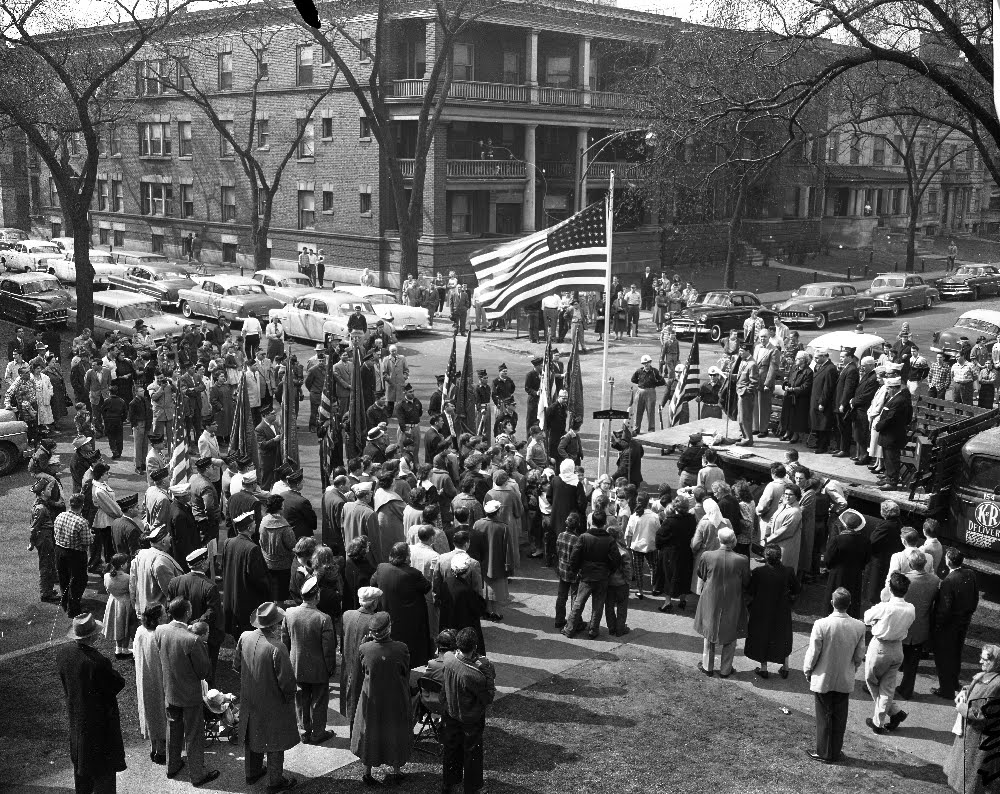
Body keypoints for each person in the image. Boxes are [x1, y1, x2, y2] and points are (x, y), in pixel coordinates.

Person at [56, 613, 127, 794]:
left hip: (78, 720)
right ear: (91, 636)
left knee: (82, 773)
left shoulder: (64, 653)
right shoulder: (97, 662)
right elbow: (116, 683)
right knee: (104, 776)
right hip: (100, 725)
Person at [234, 603, 299, 792]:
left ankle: (252, 773)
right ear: (274, 625)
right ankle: (275, 781)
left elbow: (237, 665)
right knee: (274, 741)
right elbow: (286, 683)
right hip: (272, 701)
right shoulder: (277, 648)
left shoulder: (244, 637)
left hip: (249, 698)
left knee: (251, 735)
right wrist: (290, 697)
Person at [156, 597, 219, 786]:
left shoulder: (160, 630)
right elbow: (203, 671)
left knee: (173, 729)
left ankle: (172, 766)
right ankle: (197, 775)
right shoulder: (193, 640)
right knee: (193, 735)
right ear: (188, 613)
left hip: (171, 691)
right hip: (190, 695)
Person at [802, 587, 867, 764]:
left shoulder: (821, 625)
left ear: (832, 603)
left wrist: (808, 670)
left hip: (823, 676)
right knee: (839, 717)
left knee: (824, 716)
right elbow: (859, 655)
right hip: (844, 677)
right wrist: (853, 668)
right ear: (849, 604)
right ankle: (835, 750)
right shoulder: (859, 626)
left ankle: (824, 752)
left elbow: (813, 652)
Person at [350, 611, 413, 785]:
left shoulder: (365, 649)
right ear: (389, 628)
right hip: (394, 697)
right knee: (394, 730)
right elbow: (405, 672)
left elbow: (362, 671)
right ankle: (397, 770)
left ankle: (367, 772)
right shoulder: (401, 648)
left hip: (372, 698)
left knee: (371, 730)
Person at [282, 576, 337, 745]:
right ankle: (318, 733)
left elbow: (285, 641)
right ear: (317, 595)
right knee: (319, 701)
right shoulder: (323, 618)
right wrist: (330, 668)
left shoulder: (289, 614)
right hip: (318, 668)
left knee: (300, 699)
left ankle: (303, 732)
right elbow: (328, 649)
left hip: (296, 665)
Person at [442, 626, 497, 794]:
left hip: (451, 712)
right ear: (474, 647)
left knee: (451, 749)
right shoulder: (474, 674)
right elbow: (488, 697)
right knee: (472, 753)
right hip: (470, 718)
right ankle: (471, 788)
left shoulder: (448, 658)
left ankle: (449, 783)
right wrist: (487, 671)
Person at [862, 572, 915, 734]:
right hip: (898, 648)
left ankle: (885, 718)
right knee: (888, 687)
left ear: (890, 589)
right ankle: (892, 714)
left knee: (872, 682)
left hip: (880, 647)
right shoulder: (911, 608)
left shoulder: (884, 607)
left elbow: (866, 618)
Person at [693, 527, 750, 677]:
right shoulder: (742, 560)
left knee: (709, 631)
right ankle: (725, 669)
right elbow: (746, 581)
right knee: (731, 633)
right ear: (733, 540)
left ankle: (707, 667)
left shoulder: (707, 555)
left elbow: (702, 574)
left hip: (711, 598)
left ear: (718, 539)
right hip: (733, 599)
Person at [944, 643, 1000, 793]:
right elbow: (976, 688)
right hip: (971, 733)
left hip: (980, 738)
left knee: (971, 778)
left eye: (985, 659)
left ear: (996, 662)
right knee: (962, 772)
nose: (980, 662)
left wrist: (964, 710)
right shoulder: (986, 675)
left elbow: (987, 713)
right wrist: (964, 691)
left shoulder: (997, 685)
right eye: (981, 658)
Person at [370, 541, 433, 668]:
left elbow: (372, 582)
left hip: (388, 616)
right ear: (406, 557)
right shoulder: (413, 573)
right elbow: (427, 587)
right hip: (409, 621)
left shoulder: (382, 568)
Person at [166, 548, 224, 683]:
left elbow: (170, 607)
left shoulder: (174, 582)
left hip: (180, 632)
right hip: (204, 635)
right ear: (203, 564)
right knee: (206, 671)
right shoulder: (210, 586)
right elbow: (212, 612)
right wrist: (194, 625)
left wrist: (185, 624)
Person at [563, 509, 621, 639]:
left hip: (586, 575)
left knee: (578, 603)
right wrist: (609, 570)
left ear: (592, 521)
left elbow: (574, 557)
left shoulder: (584, 537)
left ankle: (569, 628)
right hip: (602, 576)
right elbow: (616, 560)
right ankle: (593, 630)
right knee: (598, 605)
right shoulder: (610, 540)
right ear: (604, 523)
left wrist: (576, 570)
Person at [746, 543, 801, 679]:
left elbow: (751, 591)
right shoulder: (788, 571)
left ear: (765, 557)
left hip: (762, 609)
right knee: (783, 636)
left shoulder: (758, 572)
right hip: (781, 609)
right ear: (780, 557)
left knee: (762, 636)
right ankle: (785, 666)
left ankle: (764, 668)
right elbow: (797, 589)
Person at [933, 548, 980, 700]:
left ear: (948, 561)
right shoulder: (970, 574)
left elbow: (945, 608)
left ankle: (946, 689)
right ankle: (953, 683)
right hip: (964, 620)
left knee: (944, 656)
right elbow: (975, 597)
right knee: (956, 653)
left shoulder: (948, 581)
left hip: (950, 624)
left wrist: (938, 624)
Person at [220, 511, 270, 639]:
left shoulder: (228, 542)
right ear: (249, 528)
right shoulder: (252, 549)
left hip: (232, 596)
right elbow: (258, 579)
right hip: (246, 600)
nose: (256, 525)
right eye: (254, 523)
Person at [341, 586, 383, 731]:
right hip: (364, 666)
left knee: (352, 698)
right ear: (374, 603)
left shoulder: (347, 615)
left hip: (348, 663)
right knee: (363, 701)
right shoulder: (375, 620)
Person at [133, 603, 167, 765]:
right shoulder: (159, 635)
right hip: (158, 678)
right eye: (164, 613)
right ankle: (161, 751)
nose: (167, 615)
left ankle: (153, 747)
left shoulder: (140, 631)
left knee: (148, 711)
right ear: (159, 618)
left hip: (143, 677)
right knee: (160, 712)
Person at [823, 509, 871, 619]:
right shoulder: (865, 541)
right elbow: (867, 559)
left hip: (837, 574)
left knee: (835, 597)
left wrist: (831, 567)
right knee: (852, 599)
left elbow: (828, 558)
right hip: (855, 575)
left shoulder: (837, 539)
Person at [475, 499, 514, 622]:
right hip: (497, 563)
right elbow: (508, 550)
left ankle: (486, 610)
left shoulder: (477, 524)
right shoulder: (503, 527)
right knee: (496, 589)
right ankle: (496, 613)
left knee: (483, 587)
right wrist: (509, 566)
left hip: (481, 562)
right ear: (498, 511)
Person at [658, 495, 697, 612]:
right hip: (686, 551)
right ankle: (682, 600)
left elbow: (659, 537)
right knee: (684, 575)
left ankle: (668, 602)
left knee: (668, 576)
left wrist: (661, 546)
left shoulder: (669, 521)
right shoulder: (691, 519)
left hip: (671, 553)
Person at [875, 376, 913, 491]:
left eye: (889, 388)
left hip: (892, 435)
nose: (887, 390)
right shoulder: (895, 398)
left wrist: (878, 426)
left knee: (892, 458)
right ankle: (888, 477)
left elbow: (890, 418)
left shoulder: (899, 400)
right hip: (889, 434)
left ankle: (892, 482)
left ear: (895, 388)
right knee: (888, 458)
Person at [102, 553, 134, 659]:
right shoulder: (128, 577)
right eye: (126, 563)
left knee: (117, 626)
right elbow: (131, 592)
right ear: (122, 565)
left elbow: (107, 590)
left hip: (112, 601)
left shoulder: (106, 576)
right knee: (125, 625)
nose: (127, 564)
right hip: (125, 602)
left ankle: (118, 647)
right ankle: (124, 648)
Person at [811, 348, 838, 454]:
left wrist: (822, 402)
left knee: (823, 425)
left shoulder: (830, 368)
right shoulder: (820, 367)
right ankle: (818, 443)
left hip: (822, 401)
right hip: (816, 399)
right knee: (817, 424)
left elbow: (828, 387)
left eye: (817, 358)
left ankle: (823, 446)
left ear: (824, 356)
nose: (815, 360)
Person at [833, 346, 859, 457]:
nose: (841, 359)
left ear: (849, 357)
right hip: (838, 402)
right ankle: (840, 447)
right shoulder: (847, 367)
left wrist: (843, 403)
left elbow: (848, 389)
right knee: (840, 427)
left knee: (844, 427)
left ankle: (844, 449)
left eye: (843, 357)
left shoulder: (852, 369)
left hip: (843, 404)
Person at [631, 354, 665, 433]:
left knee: (650, 411)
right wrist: (640, 383)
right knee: (638, 411)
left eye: (648, 362)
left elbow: (662, 381)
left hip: (651, 392)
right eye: (644, 363)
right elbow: (633, 379)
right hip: (640, 391)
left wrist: (654, 384)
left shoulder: (654, 371)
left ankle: (651, 429)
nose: (646, 364)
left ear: (650, 362)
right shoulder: (639, 371)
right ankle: (636, 429)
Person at [734, 343, 758, 446]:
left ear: (748, 351)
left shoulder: (752, 364)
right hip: (740, 393)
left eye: (742, 351)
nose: (740, 353)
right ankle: (743, 435)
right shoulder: (744, 361)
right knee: (740, 418)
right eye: (739, 351)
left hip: (745, 395)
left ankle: (748, 440)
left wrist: (746, 391)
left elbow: (754, 381)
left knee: (745, 417)